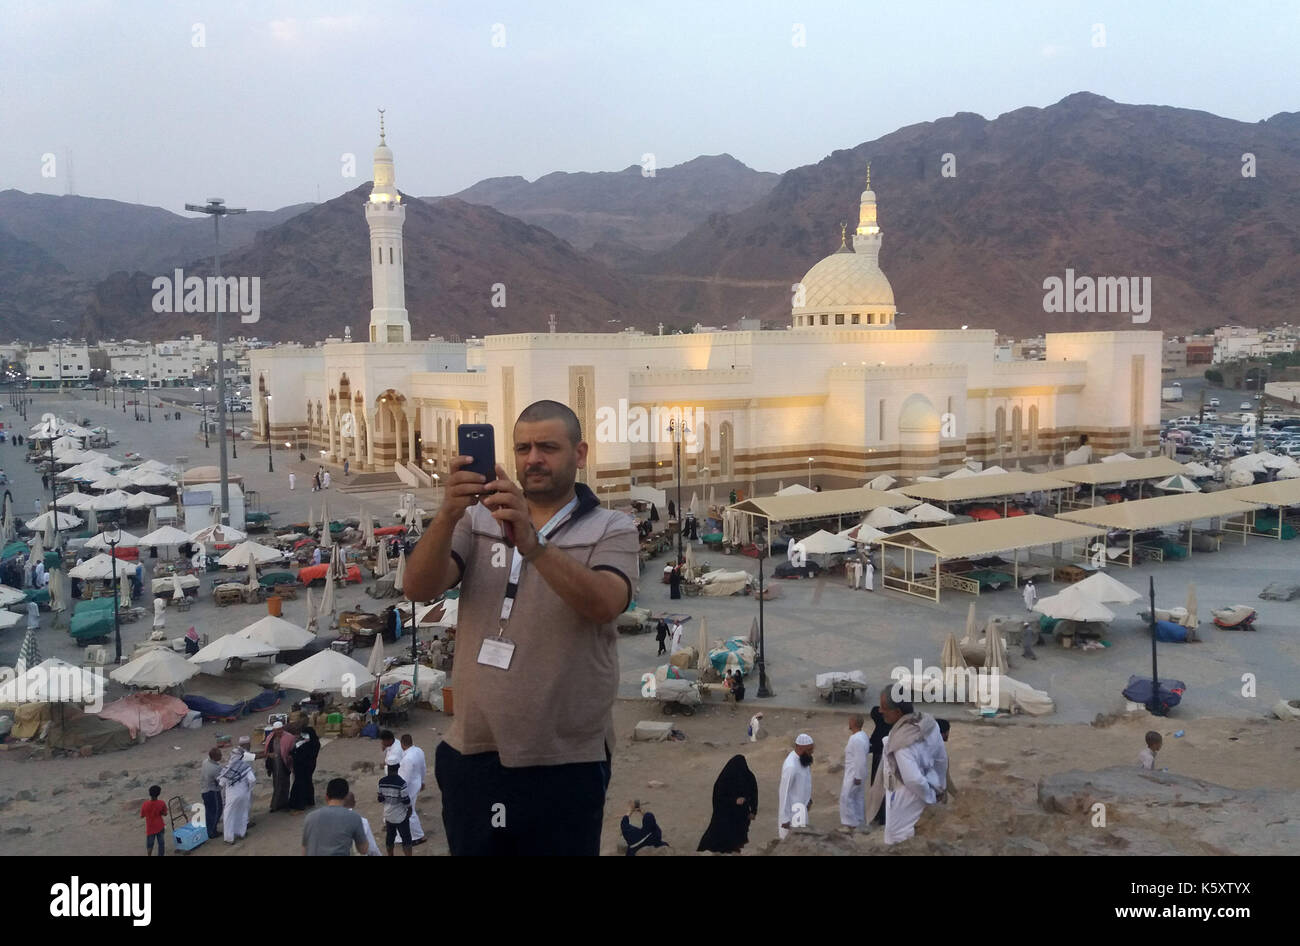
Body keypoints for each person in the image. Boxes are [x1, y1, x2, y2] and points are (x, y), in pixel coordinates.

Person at [407, 399, 638, 856]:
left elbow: (605, 603)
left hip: (565, 760)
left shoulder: (613, 527)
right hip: (474, 752)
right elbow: (418, 587)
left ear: (580, 453)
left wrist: (532, 544)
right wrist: (448, 513)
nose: (533, 458)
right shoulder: (475, 522)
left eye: (548, 447)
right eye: (523, 447)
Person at [865, 689, 949, 845]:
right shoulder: (929, 724)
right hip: (931, 786)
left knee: (899, 841)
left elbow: (913, 780)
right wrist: (939, 788)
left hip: (906, 800)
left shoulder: (901, 743)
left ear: (897, 711)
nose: (880, 710)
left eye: (884, 707)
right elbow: (941, 760)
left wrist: (929, 798)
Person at [698, 755, 758, 853]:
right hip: (725, 814)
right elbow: (718, 797)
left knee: (737, 837)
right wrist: (734, 800)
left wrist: (753, 810)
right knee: (718, 835)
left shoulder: (748, 776)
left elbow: (753, 793)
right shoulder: (724, 780)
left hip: (741, 815)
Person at [302, 778, 370, 856]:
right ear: (346, 797)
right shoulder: (354, 817)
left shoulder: (310, 817)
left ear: (326, 797)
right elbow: (363, 849)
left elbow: (305, 849)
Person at [778, 734, 815, 840]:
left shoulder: (804, 760)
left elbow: (804, 783)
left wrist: (808, 799)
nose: (811, 752)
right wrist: (784, 818)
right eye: (809, 749)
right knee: (793, 842)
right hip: (792, 813)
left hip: (801, 809)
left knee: (803, 840)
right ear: (799, 747)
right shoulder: (791, 766)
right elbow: (783, 792)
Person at [839, 714, 870, 829]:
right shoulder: (862, 736)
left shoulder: (856, 739)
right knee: (857, 797)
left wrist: (857, 776)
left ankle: (851, 823)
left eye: (850, 721)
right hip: (856, 773)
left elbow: (860, 758)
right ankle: (859, 820)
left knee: (847, 797)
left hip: (854, 774)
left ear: (853, 723)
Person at [218, 747, 256, 843]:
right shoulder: (246, 767)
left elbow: (221, 784)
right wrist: (249, 789)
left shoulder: (227, 769)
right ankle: (241, 833)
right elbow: (252, 780)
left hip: (232, 796)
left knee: (228, 815)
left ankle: (229, 838)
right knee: (242, 813)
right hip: (244, 794)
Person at [377, 764, 414, 856]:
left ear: (388, 768)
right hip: (400, 815)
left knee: (390, 837)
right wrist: (409, 809)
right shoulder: (401, 783)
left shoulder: (381, 782)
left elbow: (380, 799)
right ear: (398, 768)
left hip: (388, 815)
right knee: (406, 839)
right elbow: (406, 801)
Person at [398, 733, 427, 844]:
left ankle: (419, 835)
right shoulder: (419, 751)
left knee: (408, 810)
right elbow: (423, 767)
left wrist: (399, 790)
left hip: (409, 786)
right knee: (410, 809)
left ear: (402, 744)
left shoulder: (408, 758)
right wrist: (422, 781)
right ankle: (415, 835)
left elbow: (404, 778)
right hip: (417, 782)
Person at [289, 726, 321, 811]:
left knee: (301, 784)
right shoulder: (303, 742)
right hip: (301, 766)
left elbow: (306, 755)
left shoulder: (313, 744)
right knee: (305, 782)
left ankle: (300, 804)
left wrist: (296, 753)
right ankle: (307, 801)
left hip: (306, 766)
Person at [264, 721, 293, 812]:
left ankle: (284, 803)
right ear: (274, 730)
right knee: (277, 784)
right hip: (275, 765)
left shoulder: (289, 737)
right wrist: (269, 755)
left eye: (280, 730)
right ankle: (275, 805)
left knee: (285, 784)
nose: (278, 732)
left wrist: (288, 757)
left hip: (284, 764)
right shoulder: (270, 738)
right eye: (277, 730)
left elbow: (292, 750)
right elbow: (266, 751)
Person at [201, 747, 224, 839]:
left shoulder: (205, 762)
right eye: (220, 755)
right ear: (215, 757)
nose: (221, 756)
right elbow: (220, 782)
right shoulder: (216, 768)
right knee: (217, 811)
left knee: (209, 811)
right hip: (212, 791)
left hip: (204, 790)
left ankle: (209, 829)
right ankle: (212, 831)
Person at [140, 784, 167, 856]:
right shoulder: (162, 803)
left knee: (150, 844)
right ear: (159, 793)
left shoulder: (145, 804)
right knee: (161, 843)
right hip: (160, 826)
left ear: (149, 793)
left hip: (150, 828)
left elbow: (142, 816)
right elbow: (165, 814)